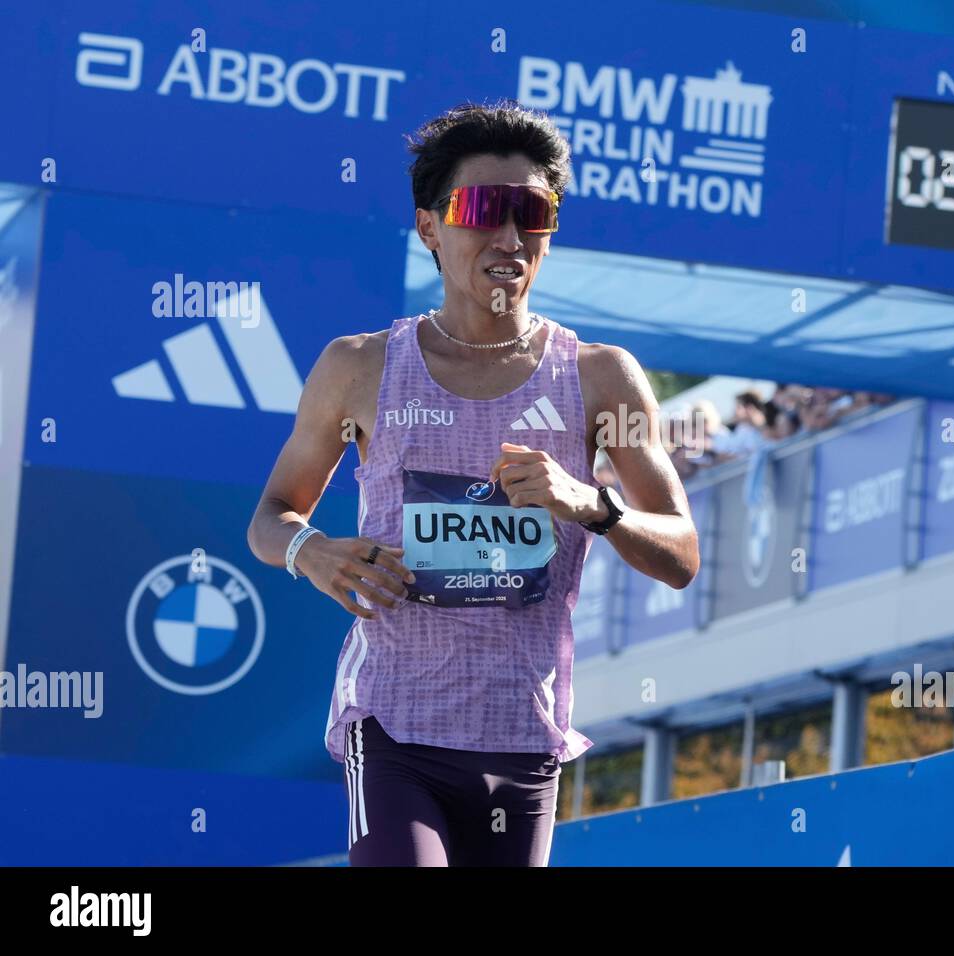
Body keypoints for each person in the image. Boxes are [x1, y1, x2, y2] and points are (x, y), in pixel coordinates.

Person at [246, 100, 699, 866]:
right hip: (393, 724)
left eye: (534, 212)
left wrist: (586, 503)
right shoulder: (358, 367)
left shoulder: (602, 379)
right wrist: (313, 554)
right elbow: (271, 515)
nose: (510, 236)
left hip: (522, 738)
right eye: (484, 209)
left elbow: (682, 553)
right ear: (429, 227)